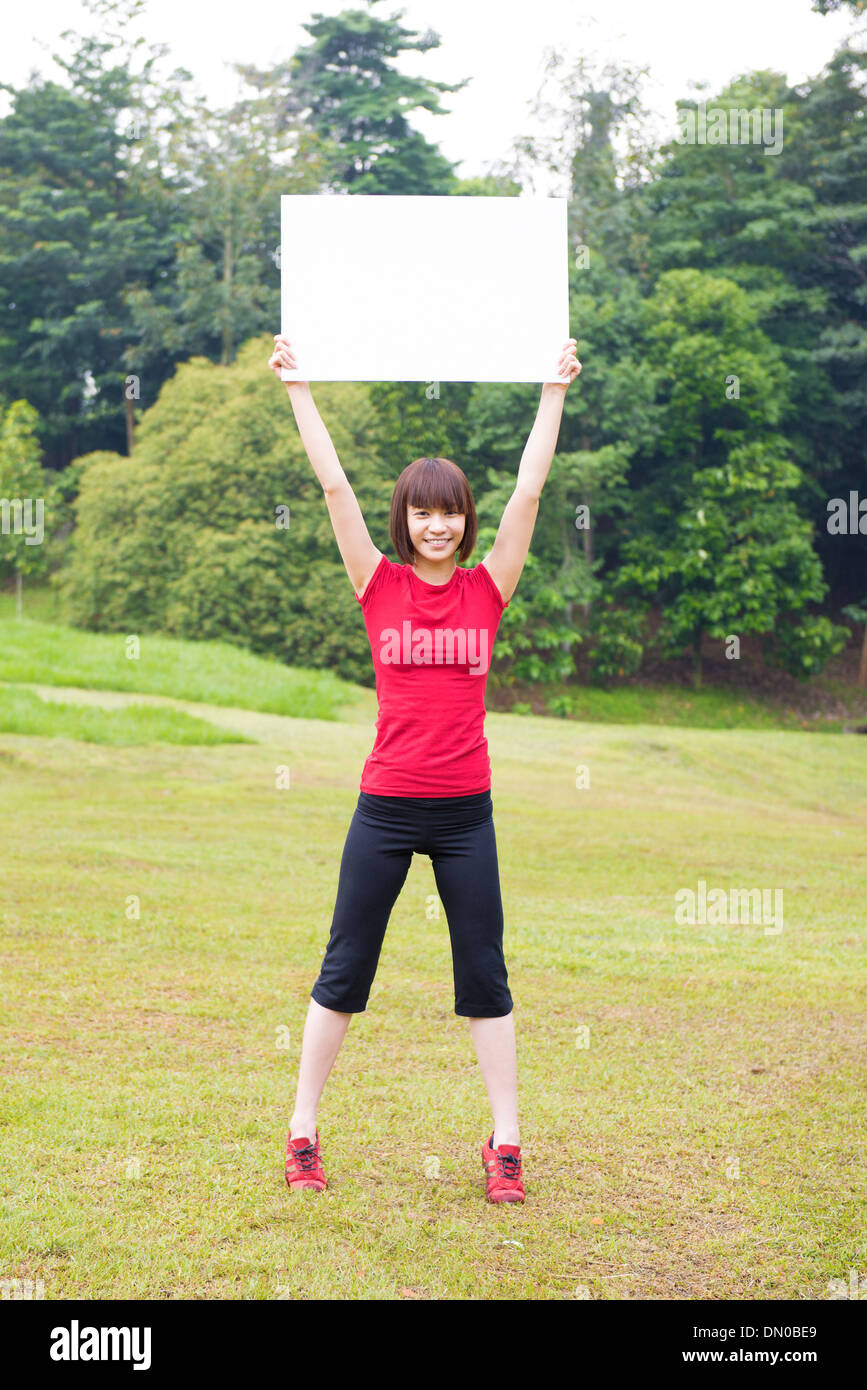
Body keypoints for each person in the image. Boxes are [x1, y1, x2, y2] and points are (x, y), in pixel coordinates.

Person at [268, 331, 581, 1203]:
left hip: (464, 814)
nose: (435, 523)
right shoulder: (377, 584)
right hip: (385, 809)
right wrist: (300, 387)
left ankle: (506, 1142)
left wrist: (550, 390)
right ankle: (302, 1131)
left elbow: (529, 489)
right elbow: (332, 486)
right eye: (420, 511)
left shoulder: (489, 587)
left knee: (485, 975)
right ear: (404, 519)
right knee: (343, 970)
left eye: (448, 511)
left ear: (463, 521)